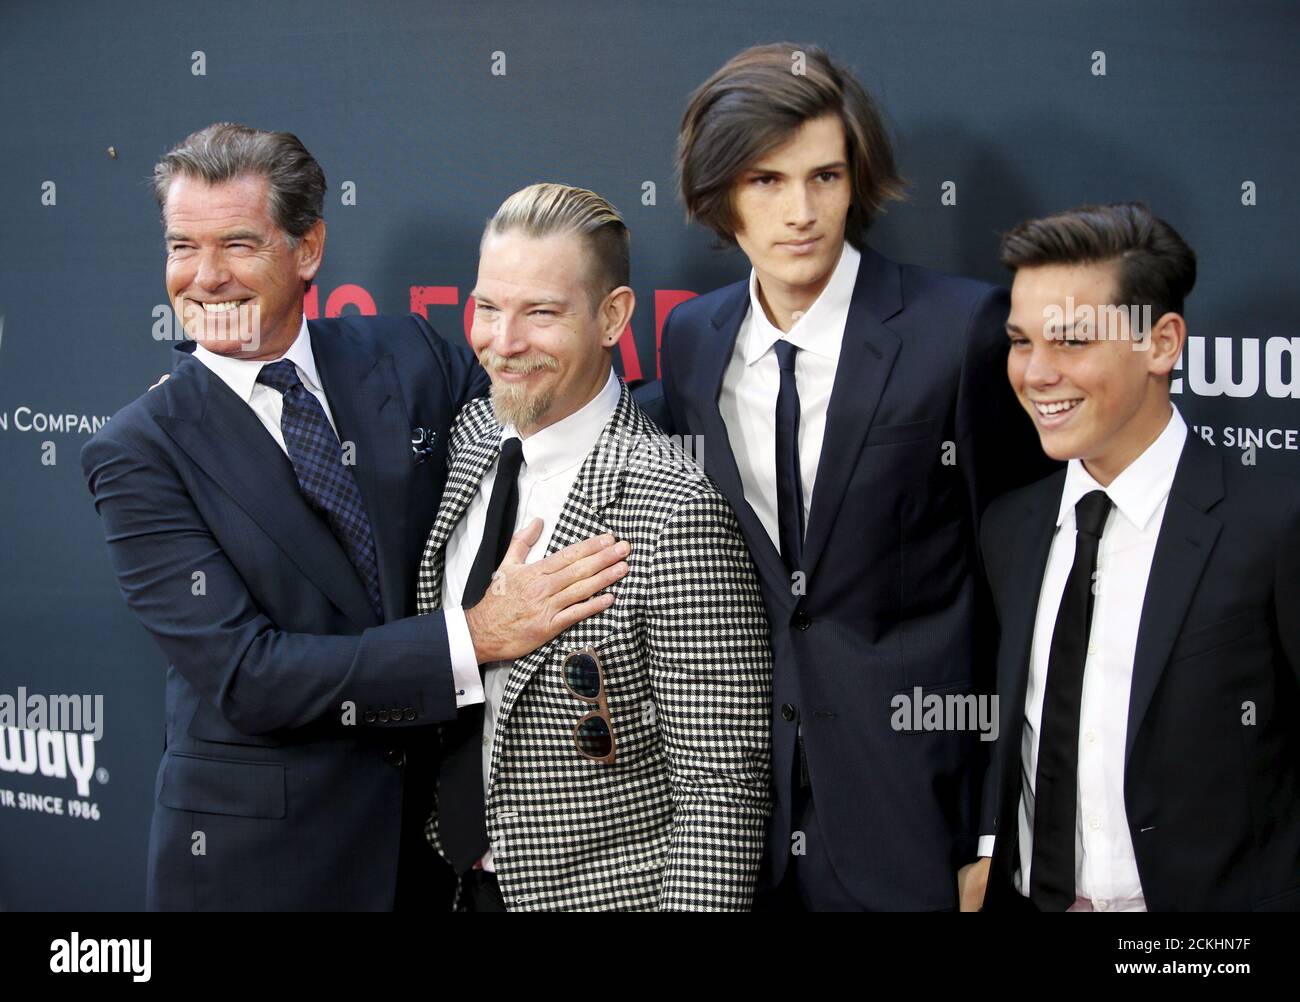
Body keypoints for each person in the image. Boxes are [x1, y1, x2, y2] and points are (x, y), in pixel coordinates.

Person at [81, 124, 628, 911]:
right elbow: (249, 676)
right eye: (180, 247)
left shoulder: (401, 352)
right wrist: (473, 637)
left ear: (308, 250)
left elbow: (538, 423)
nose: (205, 279)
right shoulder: (138, 451)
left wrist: (660, 450)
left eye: (238, 244)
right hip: (263, 869)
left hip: (435, 854)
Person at [637, 43, 1049, 910]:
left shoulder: (957, 329)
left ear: (857, 181)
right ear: (721, 199)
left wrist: (989, 827)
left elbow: (1016, 585)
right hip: (739, 818)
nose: (801, 212)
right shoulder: (690, 342)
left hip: (914, 810)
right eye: (766, 182)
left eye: (824, 177)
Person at [417, 183, 773, 911]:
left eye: (541, 313)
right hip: (447, 886)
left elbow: (722, 789)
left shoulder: (675, 510)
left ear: (612, 317)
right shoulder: (471, 437)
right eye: (488, 307)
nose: (504, 342)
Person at [977, 202, 1300, 911]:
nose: (1036, 374)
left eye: (1071, 342)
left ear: (1161, 344)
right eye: (1021, 342)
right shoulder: (1009, 529)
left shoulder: (1273, 525)